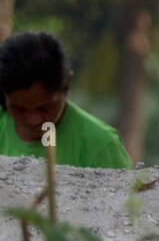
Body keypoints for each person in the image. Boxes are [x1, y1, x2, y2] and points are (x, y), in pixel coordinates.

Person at [0, 31, 131, 167]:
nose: (34, 120)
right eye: (19, 109)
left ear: (67, 84)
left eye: (45, 108)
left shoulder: (101, 147)